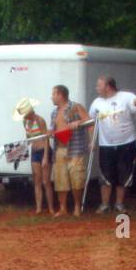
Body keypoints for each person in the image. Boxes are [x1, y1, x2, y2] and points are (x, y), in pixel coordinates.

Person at [89, 76, 136, 215]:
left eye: (99, 85)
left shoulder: (126, 97)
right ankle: (104, 205)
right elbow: (91, 123)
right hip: (106, 144)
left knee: (124, 174)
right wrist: (92, 140)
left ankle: (119, 204)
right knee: (105, 175)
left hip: (126, 143)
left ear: (108, 86)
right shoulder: (97, 103)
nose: (97, 88)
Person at [50, 85, 89, 217]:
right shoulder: (54, 112)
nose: (52, 97)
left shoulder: (76, 107)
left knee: (76, 178)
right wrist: (50, 132)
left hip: (75, 148)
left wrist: (79, 121)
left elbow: (89, 120)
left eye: (53, 94)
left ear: (60, 95)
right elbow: (52, 128)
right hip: (60, 149)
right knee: (60, 180)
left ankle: (77, 207)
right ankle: (63, 208)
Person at [14, 97, 54, 214]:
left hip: (43, 150)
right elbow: (29, 138)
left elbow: (46, 138)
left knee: (45, 181)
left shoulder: (40, 120)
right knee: (37, 180)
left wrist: (46, 157)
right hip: (34, 152)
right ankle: (39, 208)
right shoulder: (25, 121)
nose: (22, 115)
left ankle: (51, 208)